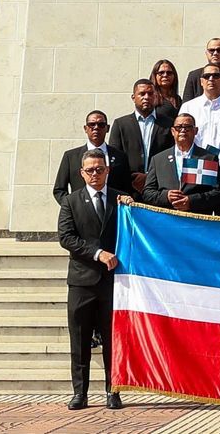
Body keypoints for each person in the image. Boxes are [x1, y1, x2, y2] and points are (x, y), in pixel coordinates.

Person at [57, 150, 122, 411]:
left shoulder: (121, 199)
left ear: (107, 170)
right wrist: (97, 253)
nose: (95, 174)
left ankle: (113, 391)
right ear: (82, 173)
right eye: (90, 170)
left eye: (100, 169)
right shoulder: (71, 202)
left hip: (112, 283)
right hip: (82, 282)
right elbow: (66, 238)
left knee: (112, 340)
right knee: (80, 340)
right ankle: (79, 394)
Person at [141, 114, 220, 212]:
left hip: (196, 220)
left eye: (187, 127)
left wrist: (191, 201)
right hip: (167, 219)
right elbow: (147, 193)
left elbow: (218, 192)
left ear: (195, 131)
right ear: (173, 131)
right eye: (178, 127)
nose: (183, 130)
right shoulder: (158, 159)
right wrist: (166, 196)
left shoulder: (208, 158)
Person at [109, 80, 175, 197]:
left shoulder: (168, 123)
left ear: (155, 97)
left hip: (159, 188)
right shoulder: (121, 124)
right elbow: (115, 158)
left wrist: (149, 177)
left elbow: (172, 155)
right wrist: (132, 178)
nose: (146, 97)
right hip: (128, 189)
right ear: (133, 97)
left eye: (150, 94)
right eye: (142, 94)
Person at [52, 111, 134, 202]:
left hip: (112, 212)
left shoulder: (120, 156)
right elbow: (59, 190)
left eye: (101, 124)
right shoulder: (70, 157)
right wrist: (73, 207)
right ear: (85, 128)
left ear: (107, 128)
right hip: (81, 213)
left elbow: (127, 189)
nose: (96, 128)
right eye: (92, 124)